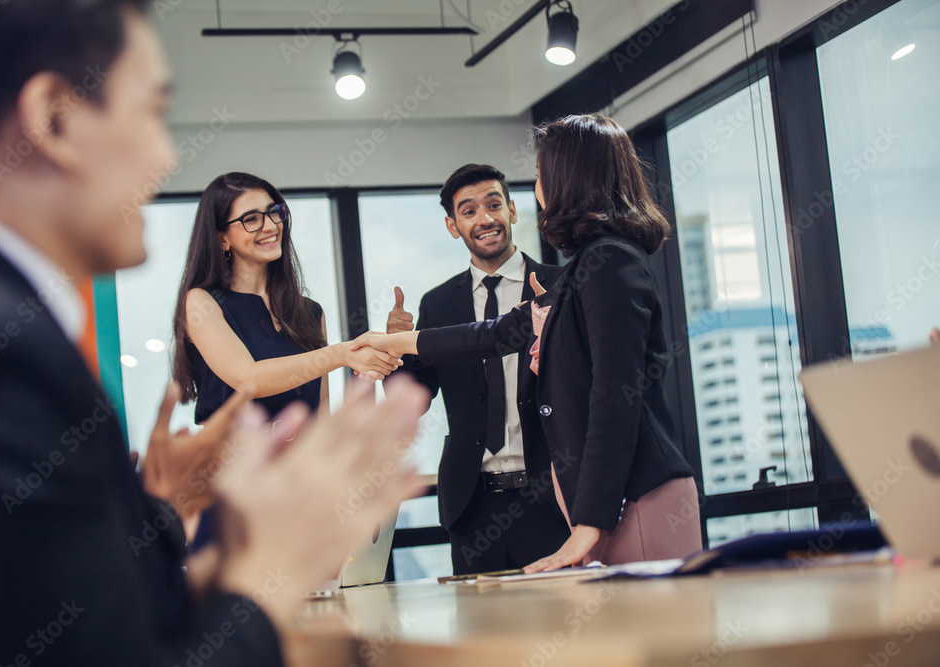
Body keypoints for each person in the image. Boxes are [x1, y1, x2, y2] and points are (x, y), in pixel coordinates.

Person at [0, 2, 425, 666]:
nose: (167, 156)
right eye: (150, 111)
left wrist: (158, 509)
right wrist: (268, 572)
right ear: (53, 119)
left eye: (273, 214)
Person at [356, 114, 702, 571]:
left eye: (541, 172)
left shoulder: (608, 262)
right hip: (601, 501)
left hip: (633, 493)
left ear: (569, 176)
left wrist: (590, 523)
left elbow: (615, 398)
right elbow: (497, 333)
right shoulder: (588, 264)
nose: (538, 184)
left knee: (657, 639)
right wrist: (398, 342)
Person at [171, 171, 402, 546]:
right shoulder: (202, 303)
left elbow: (319, 423)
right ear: (221, 238)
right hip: (234, 492)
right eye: (251, 218)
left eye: (273, 211)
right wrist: (343, 353)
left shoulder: (310, 313)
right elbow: (250, 379)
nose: (269, 225)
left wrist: (378, 357)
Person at [386, 164, 569, 574]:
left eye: (493, 204)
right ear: (453, 226)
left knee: (565, 627)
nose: (484, 219)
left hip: (551, 496)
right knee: (481, 630)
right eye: (468, 211)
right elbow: (408, 403)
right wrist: (397, 350)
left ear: (513, 211)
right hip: (472, 505)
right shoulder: (438, 304)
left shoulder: (559, 285)